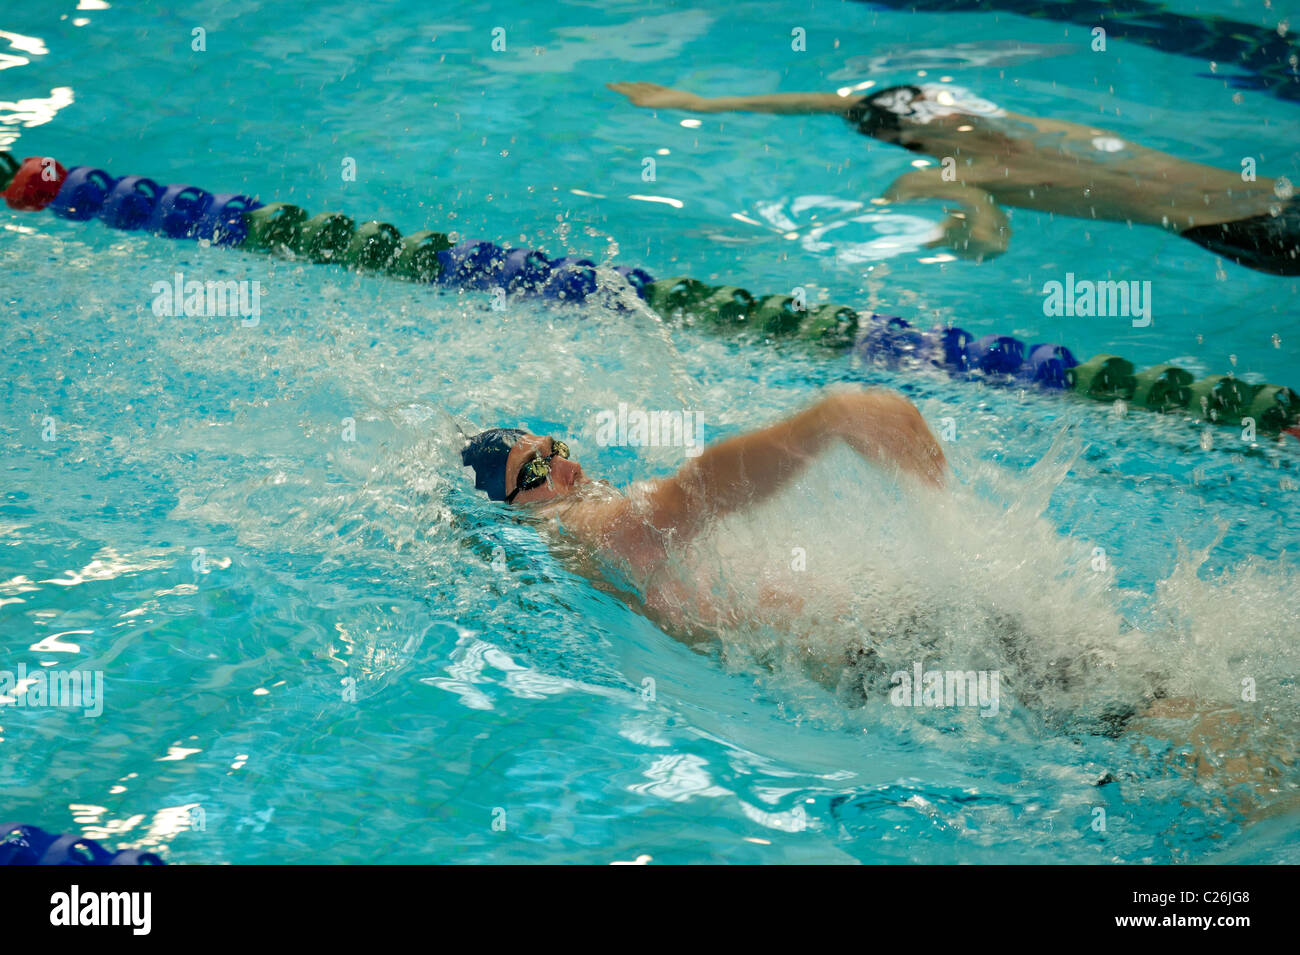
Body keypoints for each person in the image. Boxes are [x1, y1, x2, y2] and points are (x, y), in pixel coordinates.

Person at [607, 80, 1300, 274]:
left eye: (955, 100)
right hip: (1248, 231)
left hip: (1283, 196)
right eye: (943, 109)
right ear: (917, 134)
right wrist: (958, 223)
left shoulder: (1002, 127)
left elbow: (840, 102)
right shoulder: (957, 168)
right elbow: (989, 246)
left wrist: (703, 104)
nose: (959, 109)